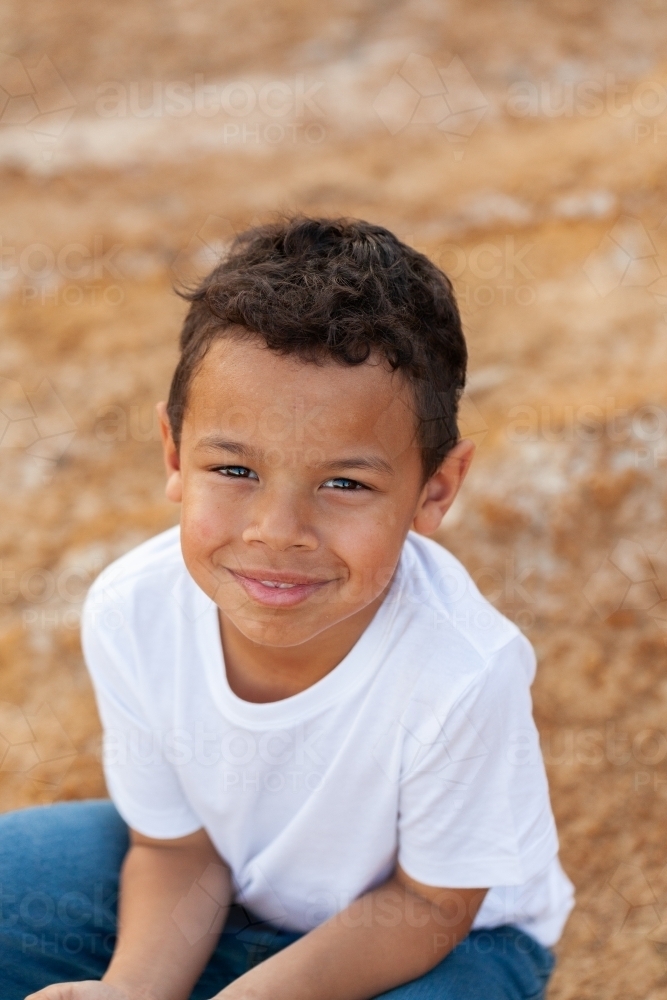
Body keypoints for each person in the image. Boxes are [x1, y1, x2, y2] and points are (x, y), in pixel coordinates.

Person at [1, 217, 574, 1000]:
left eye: (344, 484)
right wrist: (132, 990)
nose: (278, 533)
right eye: (234, 468)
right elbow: (178, 852)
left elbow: (431, 903)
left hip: (448, 943)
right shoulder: (131, 610)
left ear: (434, 488)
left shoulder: (462, 671)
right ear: (175, 454)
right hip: (232, 888)